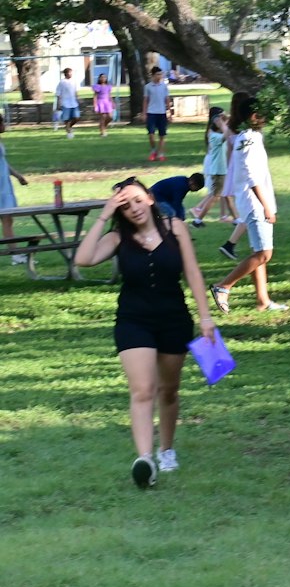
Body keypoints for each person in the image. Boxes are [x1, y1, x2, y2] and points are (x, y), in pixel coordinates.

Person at [74, 177, 218, 488]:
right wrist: (103, 213)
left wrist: (206, 318)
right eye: (125, 206)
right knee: (142, 391)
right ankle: (145, 460)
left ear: (150, 199)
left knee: (168, 391)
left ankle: (166, 449)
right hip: (133, 320)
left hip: (174, 319)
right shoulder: (117, 238)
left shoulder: (174, 227)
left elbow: (192, 273)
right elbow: (83, 259)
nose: (134, 209)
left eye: (137, 200)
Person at [209, 93, 286, 312]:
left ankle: (263, 301)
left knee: (258, 251)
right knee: (264, 254)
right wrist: (267, 206)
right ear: (253, 116)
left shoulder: (249, 136)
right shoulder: (249, 139)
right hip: (255, 204)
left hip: (252, 202)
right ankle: (223, 286)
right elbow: (252, 177)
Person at [189, 108, 229, 226]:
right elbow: (226, 133)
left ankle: (224, 215)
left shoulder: (212, 131)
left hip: (214, 162)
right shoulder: (214, 133)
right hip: (214, 163)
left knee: (219, 191)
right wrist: (224, 121)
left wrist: (226, 118)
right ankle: (199, 211)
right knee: (216, 192)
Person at [0, 112, 29, 263]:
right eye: (2, 122)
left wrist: (18, 176)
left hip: (4, 184)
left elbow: (3, 163)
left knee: (7, 219)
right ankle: (15, 253)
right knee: (6, 219)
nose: (4, 125)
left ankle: (15, 253)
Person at [144, 67, 172, 162]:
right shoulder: (148, 87)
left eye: (161, 74)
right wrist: (144, 113)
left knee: (162, 135)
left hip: (162, 113)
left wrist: (169, 112)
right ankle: (153, 151)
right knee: (151, 134)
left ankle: (161, 154)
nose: (159, 76)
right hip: (151, 112)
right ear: (153, 75)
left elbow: (167, 99)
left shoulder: (164, 86)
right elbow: (146, 100)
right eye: (157, 74)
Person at [55, 67, 81, 139]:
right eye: (69, 72)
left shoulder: (74, 81)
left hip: (74, 103)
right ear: (65, 73)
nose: (70, 74)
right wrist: (59, 103)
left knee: (77, 117)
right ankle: (69, 133)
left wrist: (78, 99)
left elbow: (76, 92)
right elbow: (58, 94)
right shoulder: (62, 82)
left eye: (71, 72)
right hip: (65, 103)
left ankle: (69, 126)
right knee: (66, 119)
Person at [92, 73, 115, 137]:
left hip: (107, 103)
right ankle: (102, 131)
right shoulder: (97, 86)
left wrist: (112, 103)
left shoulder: (108, 86)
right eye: (102, 77)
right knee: (103, 117)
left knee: (110, 117)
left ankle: (103, 126)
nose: (103, 78)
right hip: (100, 102)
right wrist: (95, 105)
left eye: (104, 77)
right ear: (99, 78)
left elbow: (110, 95)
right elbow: (95, 96)